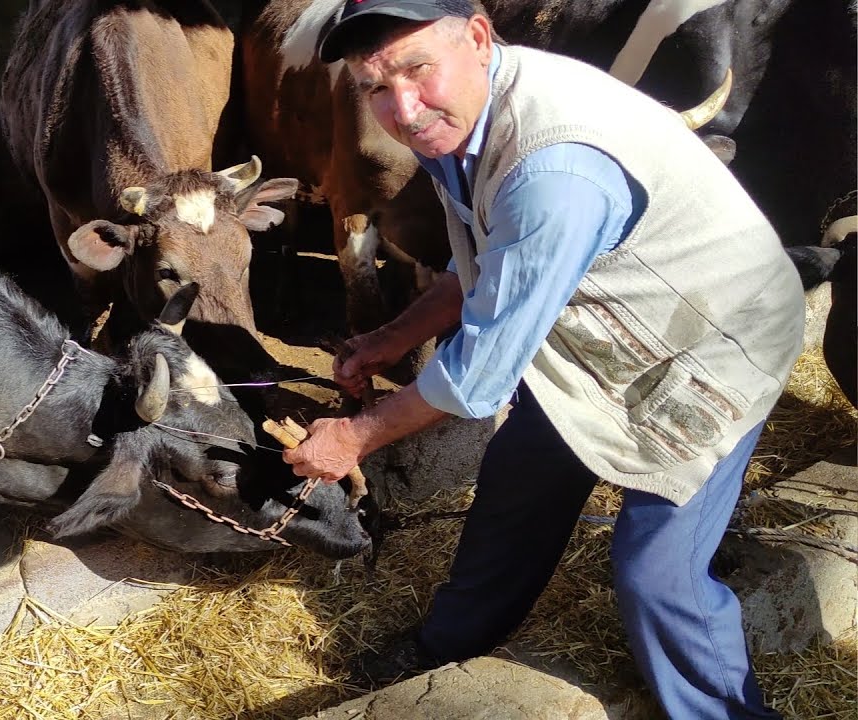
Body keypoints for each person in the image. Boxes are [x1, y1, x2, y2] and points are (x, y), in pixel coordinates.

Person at [282, 1, 804, 717]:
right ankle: (448, 644)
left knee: (657, 572)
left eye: (417, 69)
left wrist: (352, 437)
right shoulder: (463, 113)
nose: (402, 108)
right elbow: (491, 258)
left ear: (477, 36)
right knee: (517, 480)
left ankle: (724, 709)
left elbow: (477, 378)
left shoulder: (552, 167)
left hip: (711, 339)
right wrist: (392, 338)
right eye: (375, 86)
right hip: (607, 327)